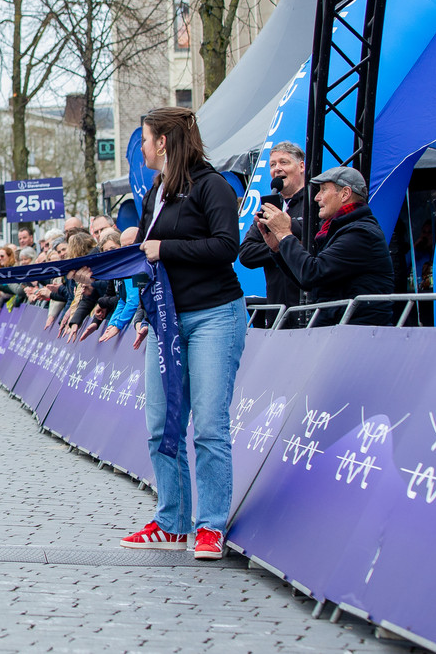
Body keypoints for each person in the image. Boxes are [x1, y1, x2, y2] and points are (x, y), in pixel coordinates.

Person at [122, 106, 245, 561]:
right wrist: (142, 312)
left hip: (215, 314)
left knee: (210, 426)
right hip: (167, 320)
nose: (143, 148)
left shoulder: (212, 185)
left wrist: (163, 248)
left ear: (165, 142)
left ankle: (210, 526)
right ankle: (172, 523)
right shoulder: (156, 191)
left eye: (146, 139)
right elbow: (148, 261)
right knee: (162, 426)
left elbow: (225, 246)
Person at [254, 166, 394, 326]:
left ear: (345, 194)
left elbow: (312, 274)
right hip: (343, 328)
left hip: (359, 333)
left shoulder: (360, 233)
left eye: (323, 190)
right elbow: (310, 281)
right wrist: (278, 249)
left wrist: (285, 235)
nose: (316, 198)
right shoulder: (342, 230)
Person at [239, 141, 309, 321]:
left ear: (301, 166)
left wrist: (285, 238)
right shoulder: (269, 207)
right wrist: (278, 247)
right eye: (273, 164)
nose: (277, 168)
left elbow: (312, 244)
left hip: (309, 306)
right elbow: (246, 254)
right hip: (277, 308)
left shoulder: (315, 203)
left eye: (284, 162)